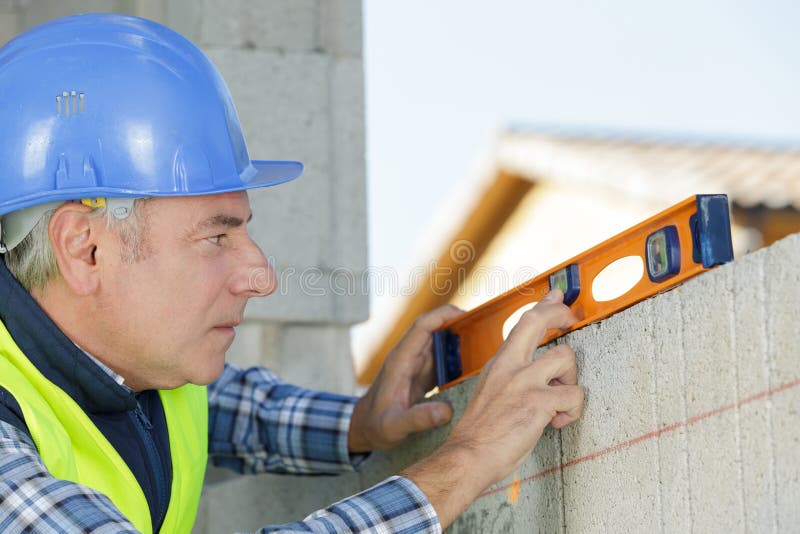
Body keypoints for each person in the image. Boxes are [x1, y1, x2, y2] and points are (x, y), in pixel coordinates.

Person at [0, 13, 584, 533]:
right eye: (216, 236)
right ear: (86, 250)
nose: (261, 275)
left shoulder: (135, 364)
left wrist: (361, 422)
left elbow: (223, 409)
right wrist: (468, 457)